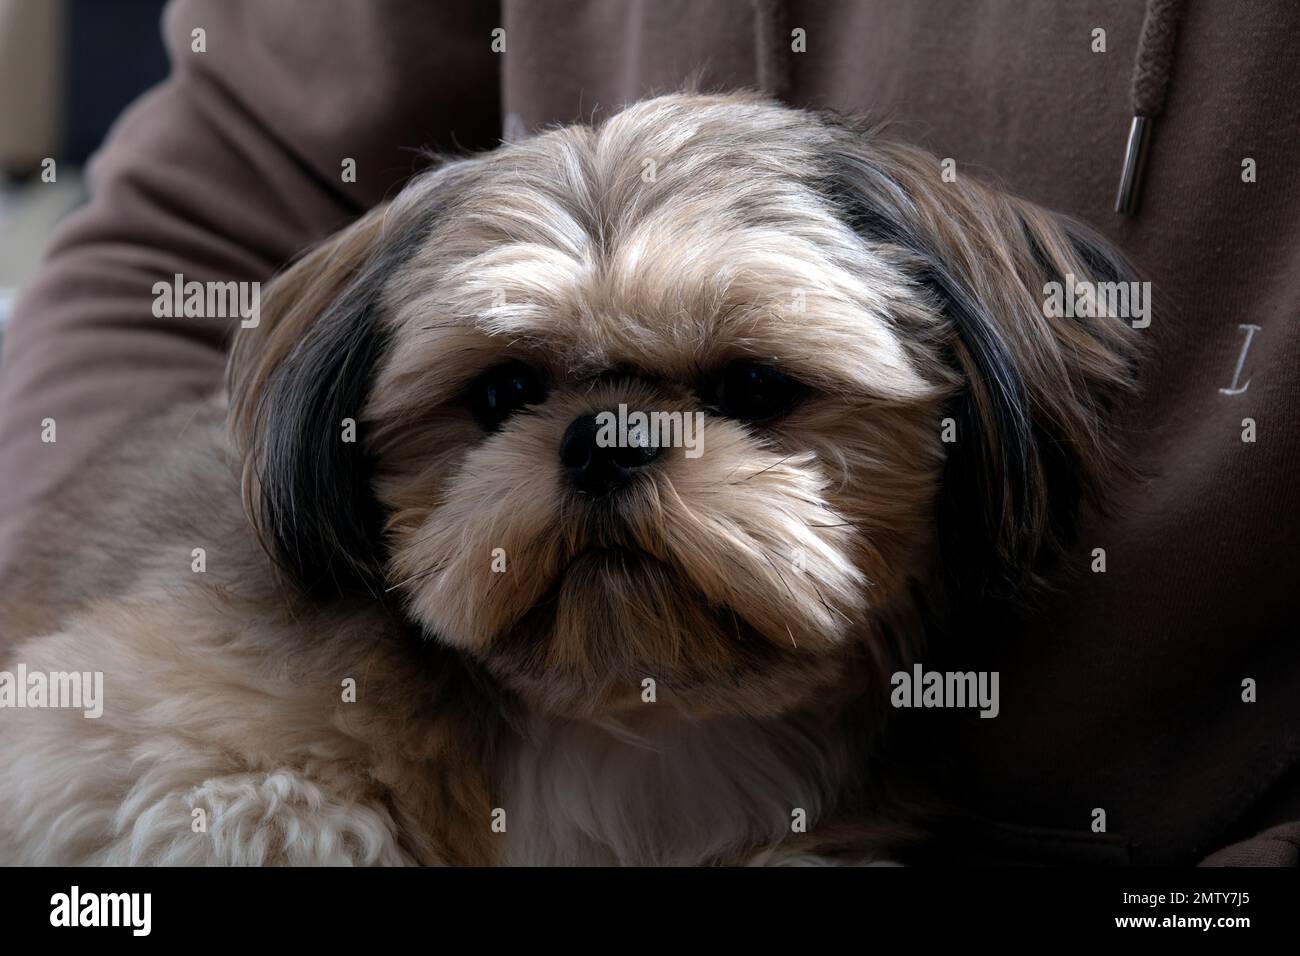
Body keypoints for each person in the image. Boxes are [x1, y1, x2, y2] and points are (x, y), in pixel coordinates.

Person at [0, 0, 1296, 866]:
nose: (613, 451)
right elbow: (197, 216)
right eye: (505, 396)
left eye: (750, 392)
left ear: (964, 413)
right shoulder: (231, 738)